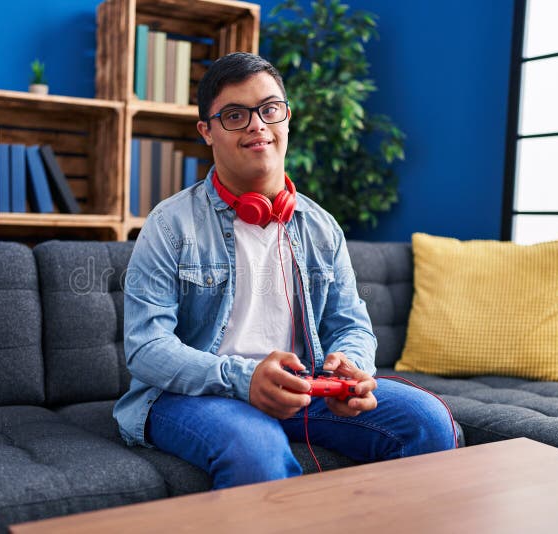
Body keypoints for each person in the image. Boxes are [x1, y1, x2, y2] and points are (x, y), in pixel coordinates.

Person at [114, 52, 455, 489]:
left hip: (304, 389)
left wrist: (349, 370)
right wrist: (243, 379)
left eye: (269, 109)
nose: (258, 125)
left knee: (427, 421)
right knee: (254, 448)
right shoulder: (169, 224)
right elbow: (146, 348)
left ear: (286, 118)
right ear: (207, 131)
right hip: (191, 395)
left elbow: (352, 324)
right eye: (235, 115)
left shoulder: (321, 226)